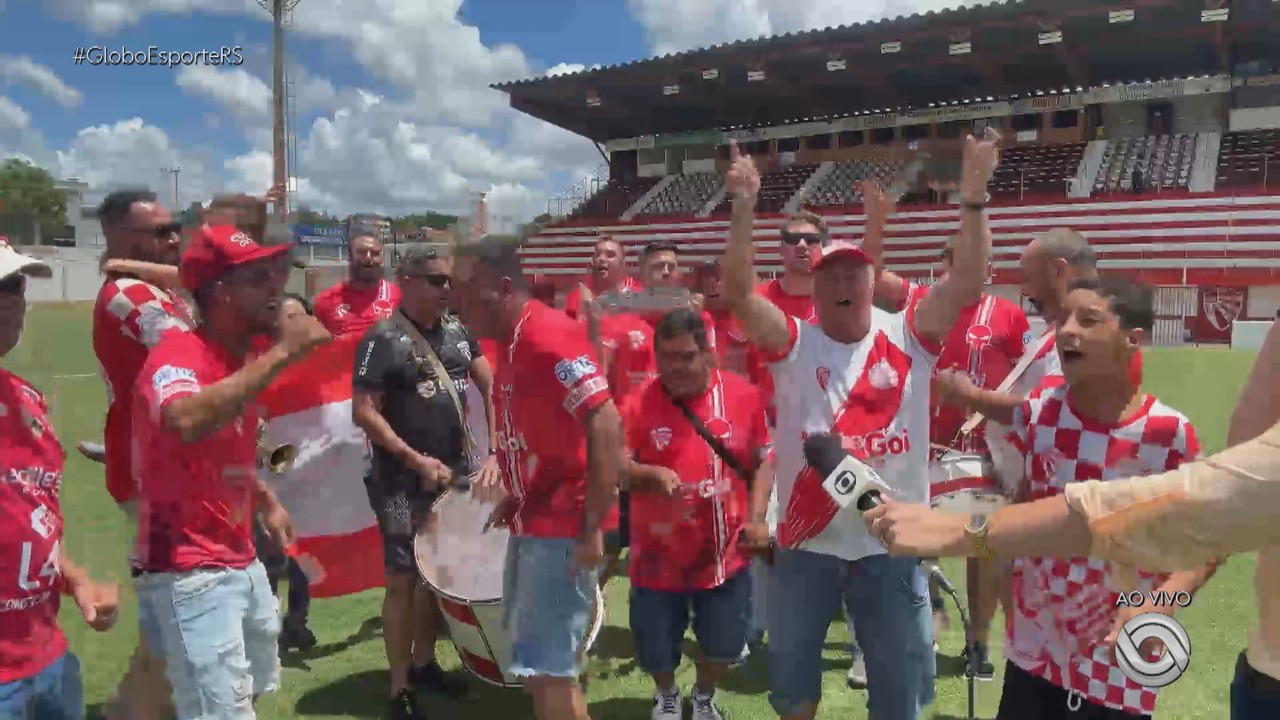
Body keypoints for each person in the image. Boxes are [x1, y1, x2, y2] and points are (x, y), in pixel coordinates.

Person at [864, 316, 1280, 720]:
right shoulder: (1044, 415)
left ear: (1131, 340)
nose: (1068, 332)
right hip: (1036, 654)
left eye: (1089, 320)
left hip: (1114, 661)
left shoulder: (1167, 432)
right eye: (1066, 321)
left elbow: (1209, 531)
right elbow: (1030, 509)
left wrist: (1161, 601)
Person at [724, 129, 999, 720]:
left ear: (873, 283)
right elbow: (739, 295)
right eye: (831, 276)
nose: (844, 285)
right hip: (806, 546)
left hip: (891, 544)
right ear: (814, 289)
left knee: (897, 696)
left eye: (854, 275)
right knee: (796, 690)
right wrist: (744, 204)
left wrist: (973, 194)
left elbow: (970, 280)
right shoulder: (794, 343)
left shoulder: (910, 335)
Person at [130, 224, 330, 718]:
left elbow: (226, 455)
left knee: (254, 686)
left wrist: (266, 500)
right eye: (259, 279)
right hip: (188, 568)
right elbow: (186, 419)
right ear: (220, 291)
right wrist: (287, 352)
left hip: (239, 556)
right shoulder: (178, 355)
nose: (274, 290)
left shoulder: (237, 360)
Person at [859, 179, 1033, 679]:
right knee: (917, 545)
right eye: (955, 260)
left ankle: (978, 640)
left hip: (979, 453)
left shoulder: (1009, 315)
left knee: (981, 545)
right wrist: (877, 222)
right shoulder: (918, 300)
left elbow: (1026, 384)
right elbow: (866, 281)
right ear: (945, 266)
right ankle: (925, 627)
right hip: (917, 450)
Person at [452, 235, 623, 720]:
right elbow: (554, 438)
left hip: (562, 529)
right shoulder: (511, 340)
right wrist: (520, 495)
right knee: (534, 664)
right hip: (535, 519)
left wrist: (590, 527)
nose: (458, 303)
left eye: (467, 291)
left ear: (503, 287)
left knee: (552, 671)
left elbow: (605, 424)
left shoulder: (547, 334)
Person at [352, 246, 500, 719]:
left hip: (453, 478)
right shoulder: (382, 339)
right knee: (400, 580)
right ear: (406, 280)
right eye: (435, 281)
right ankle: (400, 689)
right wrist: (414, 459)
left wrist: (495, 449)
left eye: (449, 282)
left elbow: (492, 386)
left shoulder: (458, 330)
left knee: (437, 578)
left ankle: (424, 663)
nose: (446, 290)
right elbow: (363, 411)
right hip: (399, 485)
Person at [621, 309, 772, 720]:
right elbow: (613, 467)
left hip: (725, 556)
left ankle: (703, 695)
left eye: (686, 355)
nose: (676, 366)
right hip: (656, 557)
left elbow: (763, 463)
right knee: (656, 646)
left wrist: (757, 519)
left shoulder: (744, 396)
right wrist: (647, 474)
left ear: (709, 354)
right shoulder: (637, 403)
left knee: (725, 645)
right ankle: (666, 695)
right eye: (666, 356)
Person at [1, 240, 122, 719]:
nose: (13, 298)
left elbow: (29, 512)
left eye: (15, 284)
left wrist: (77, 580)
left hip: (49, 661)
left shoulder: (28, 401)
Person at [91, 188, 193, 720]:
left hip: (177, 476)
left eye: (175, 227)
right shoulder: (132, 295)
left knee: (183, 615)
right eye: (159, 231)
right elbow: (194, 357)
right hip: (156, 482)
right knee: (172, 618)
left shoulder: (158, 289)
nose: (174, 238)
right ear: (115, 234)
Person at [253, 292, 317, 652]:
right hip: (270, 474)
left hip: (310, 475)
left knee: (304, 557)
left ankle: (298, 622)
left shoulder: (318, 365)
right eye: (287, 318)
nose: (294, 325)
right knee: (272, 557)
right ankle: (268, 630)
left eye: (300, 317)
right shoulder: (260, 366)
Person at [313, 231, 401, 338]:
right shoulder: (325, 300)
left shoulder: (399, 297)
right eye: (361, 252)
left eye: (375, 253)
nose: (368, 258)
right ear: (350, 256)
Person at [562, 235, 640, 321]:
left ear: (623, 264)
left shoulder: (639, 294)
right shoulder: (576, 297)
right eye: (597, 254)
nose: (601, 258)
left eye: (610, 255)